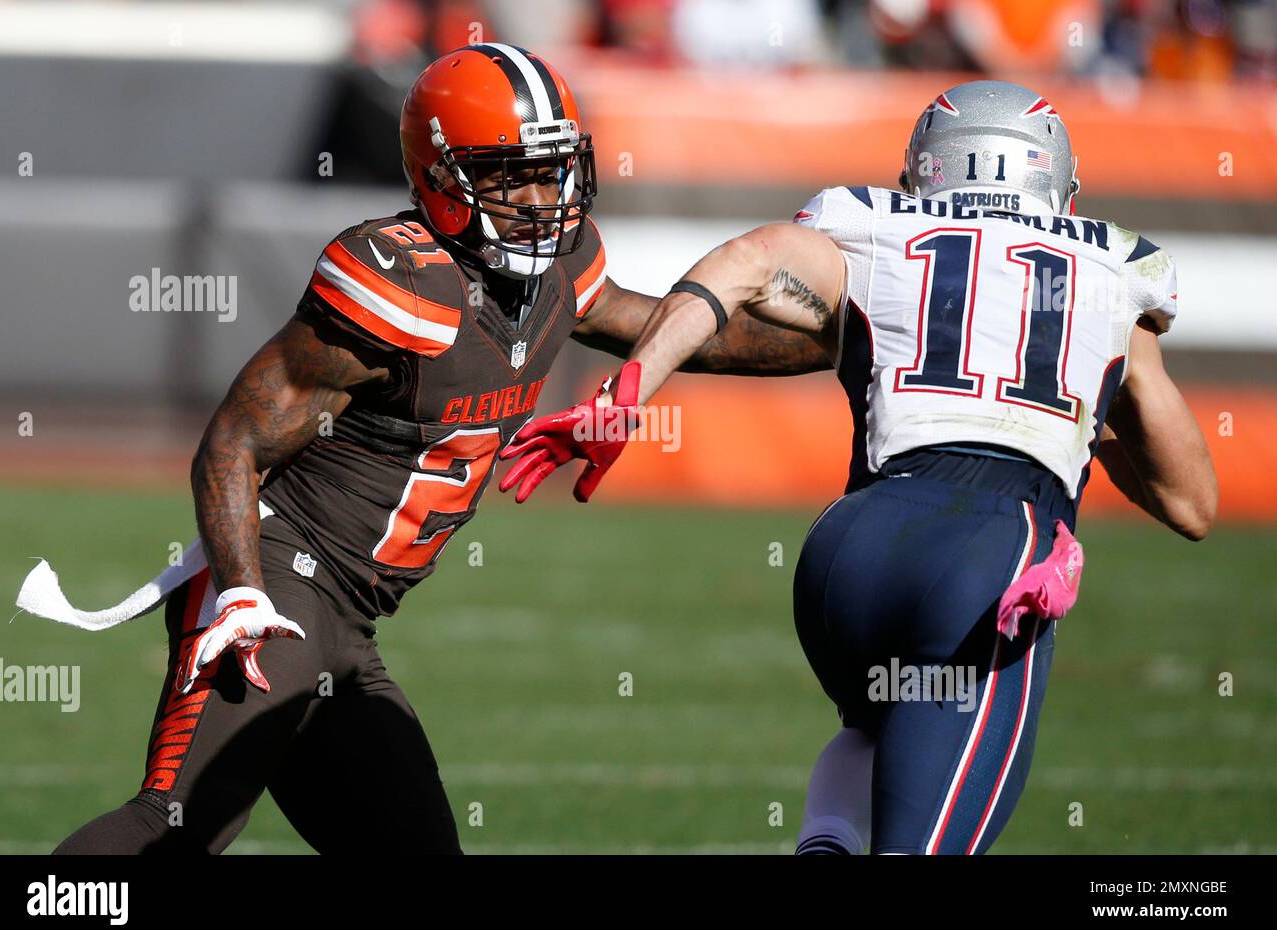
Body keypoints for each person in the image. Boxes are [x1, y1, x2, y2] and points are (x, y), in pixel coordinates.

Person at [52, 43, 828, 854]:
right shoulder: (405, 281)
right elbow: (232, 443)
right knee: (174, 824)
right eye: (509, 174)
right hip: (280, 583)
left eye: (553, 169)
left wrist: (847, 343)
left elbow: (684, 333)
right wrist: (242, 593)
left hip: (346, 622)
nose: (540, 197)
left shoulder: (563, 272)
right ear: (443, 179)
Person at [500, 80, 1218, 854]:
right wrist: (1078, 406)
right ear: (1056, 184)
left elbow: (746, 261)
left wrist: (629, 390)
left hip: (848, 554)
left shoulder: (873, 227)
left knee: (879, 720)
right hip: (989, 552)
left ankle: (827, 838)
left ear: (924, 172)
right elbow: (1192, 502)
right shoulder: (1110, 270)